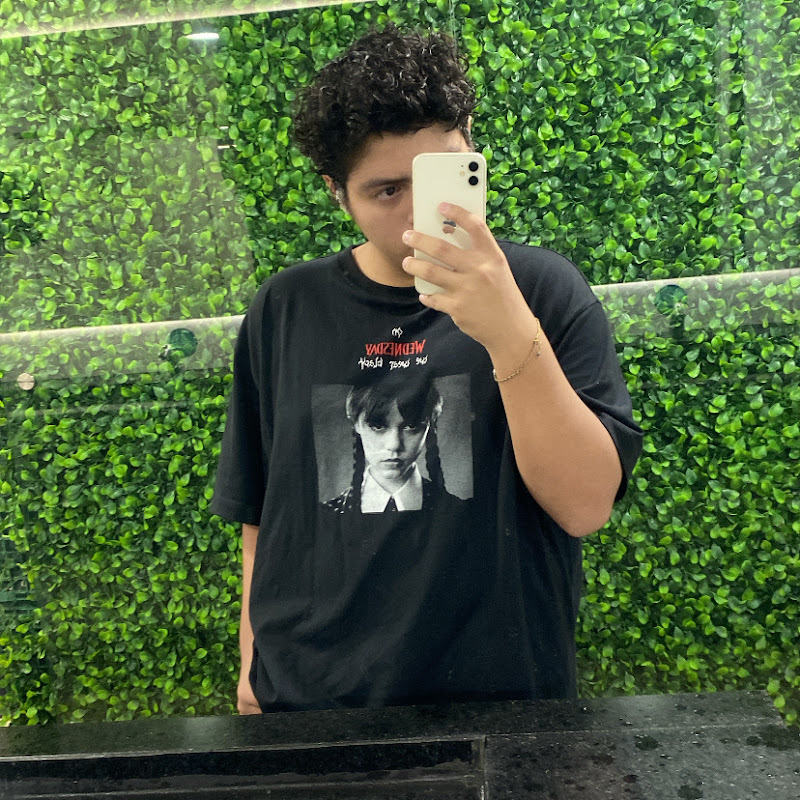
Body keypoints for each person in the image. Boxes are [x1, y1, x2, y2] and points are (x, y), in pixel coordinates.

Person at [211, 25, 642, 714]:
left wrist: (510, 333)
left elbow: (586, 506)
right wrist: (250, 670)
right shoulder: (286, 307)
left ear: (471, 150)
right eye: (386, 191)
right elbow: (263, 511)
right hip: (310, 699)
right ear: (337, 193)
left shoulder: (544, 292)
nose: (419, 214)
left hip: (502, 703)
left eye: (441, 174)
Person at [323, 378, 465, 513]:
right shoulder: (328, 512)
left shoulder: (460, 511)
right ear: (356, 425)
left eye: (411, 426)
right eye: (378, 426)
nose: (394, 445)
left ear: (430, 427)